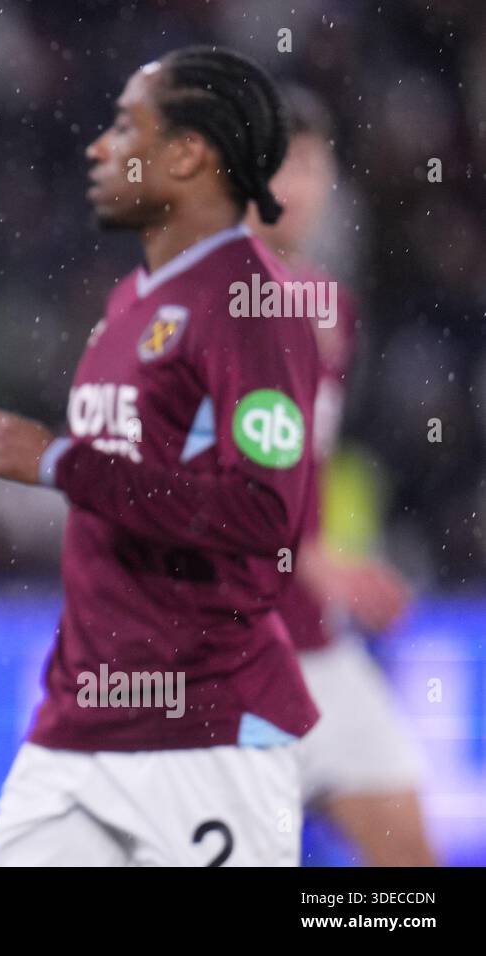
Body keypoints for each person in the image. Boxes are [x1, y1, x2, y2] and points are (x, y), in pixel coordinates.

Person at [0, 47, 320, 865]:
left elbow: (265, 513)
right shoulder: (132, 300)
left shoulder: (249, 305)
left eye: (126, 126)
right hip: (78, 726)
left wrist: (61, 465)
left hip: (206, 734)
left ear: (189, 153)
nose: (98, 147)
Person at [247, 84, 434, 866]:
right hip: (228, 651)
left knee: (410, 867)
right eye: (276, 165)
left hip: (316, 642)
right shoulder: (200, 304)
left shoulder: (327, 307)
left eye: (312, 165)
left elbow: (293, 460)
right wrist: (309, 556)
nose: (295, 185)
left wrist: (320, 557)